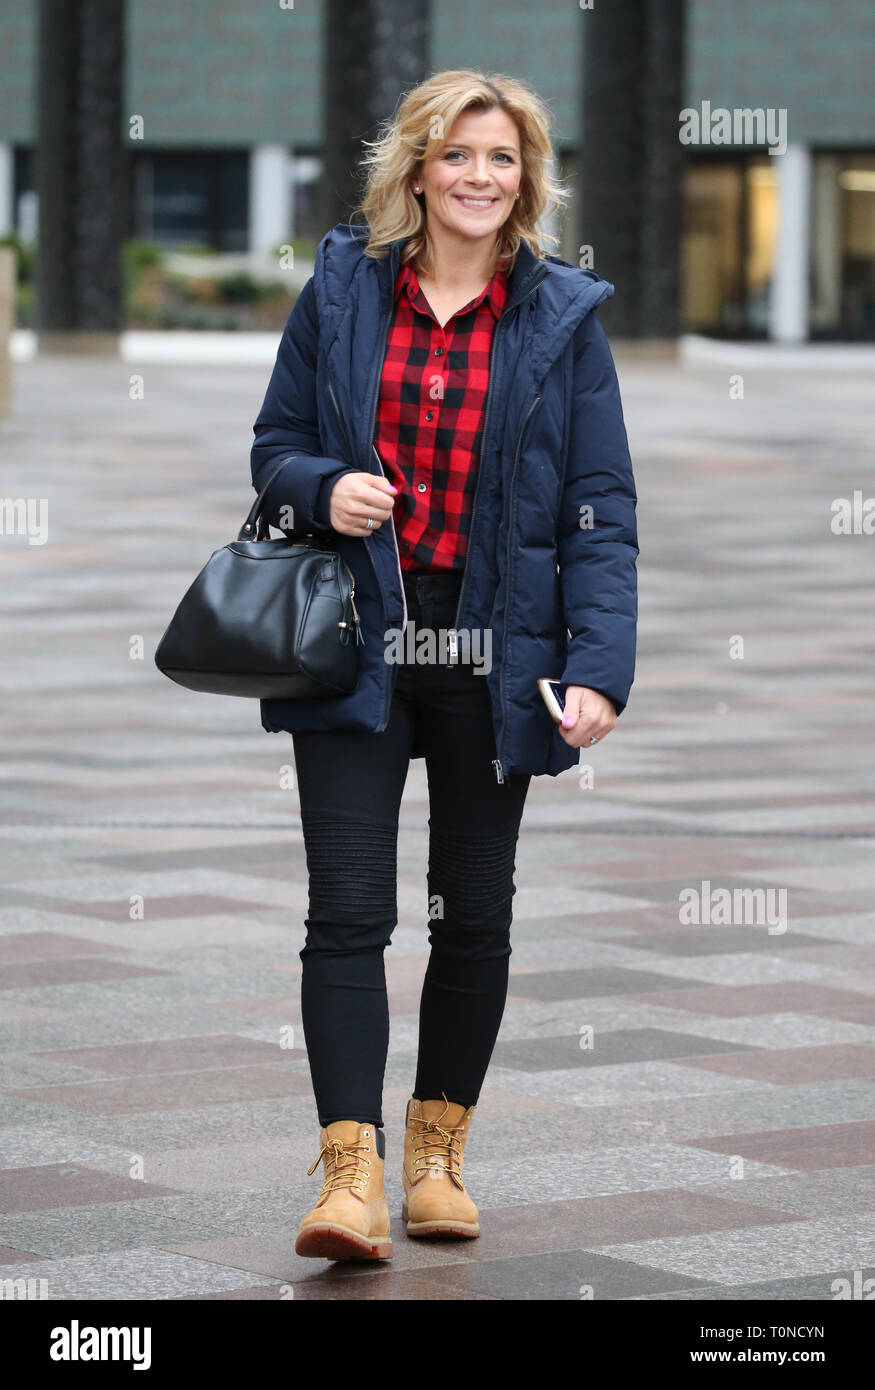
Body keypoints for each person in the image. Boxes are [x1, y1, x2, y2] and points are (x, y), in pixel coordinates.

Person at [250, 68, 638, 1262]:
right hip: (354, 646)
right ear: (414, 168)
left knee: (472, 916)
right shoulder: (342, 288)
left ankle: (436, 1155)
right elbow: (274, 448)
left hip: (493, 658)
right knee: (348, 915)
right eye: (458, 155)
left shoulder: (560, 316)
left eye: (502, 159)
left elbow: (599, 506)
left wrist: (598, 669)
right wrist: (327, 486)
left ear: (527, 179)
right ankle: (349, 1174)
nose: (479, 177)